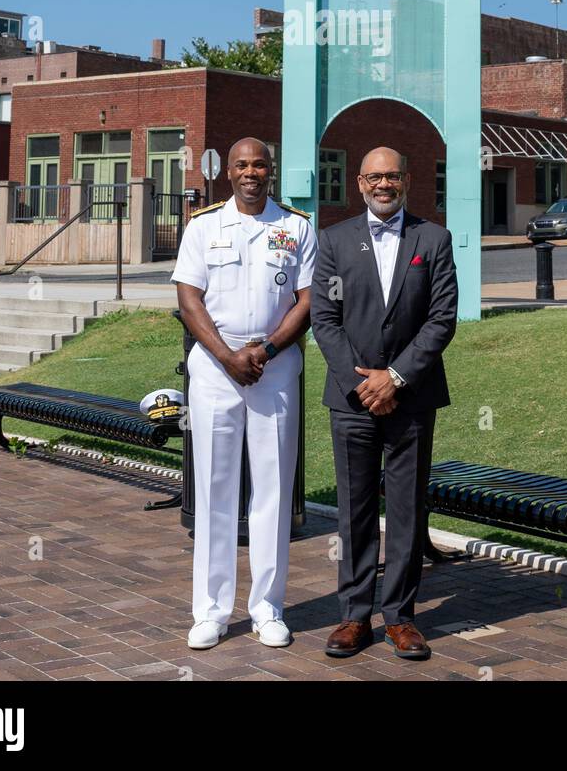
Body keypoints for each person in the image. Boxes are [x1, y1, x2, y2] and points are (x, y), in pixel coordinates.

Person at [311, 146, 458, 661]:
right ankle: (354, 616)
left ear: (407, 180)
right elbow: (324, 319)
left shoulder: (433, 240)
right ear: (359, 182)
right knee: (354, 509)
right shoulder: (332, 241)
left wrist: (393, 378)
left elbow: (442, 319)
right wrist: (364, 385)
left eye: (392, 176)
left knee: (406, 508)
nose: (383, 184)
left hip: (411, 398)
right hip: (352, 400)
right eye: (374, 177)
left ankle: (400, 617)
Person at [173, 137, 316, 650]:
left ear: (270, 170)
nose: (250, 172)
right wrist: (227, 355)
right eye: (241, 165)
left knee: (274, 491)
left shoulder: (295, 226)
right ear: (227, 173)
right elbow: (188, 297)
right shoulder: (203, 225)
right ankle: (210, 610)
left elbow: (308, 298)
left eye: (259, 164)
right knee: (214, 488)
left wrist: (269, 350)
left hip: (274, 370)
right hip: (215, 368)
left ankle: (268, 607)